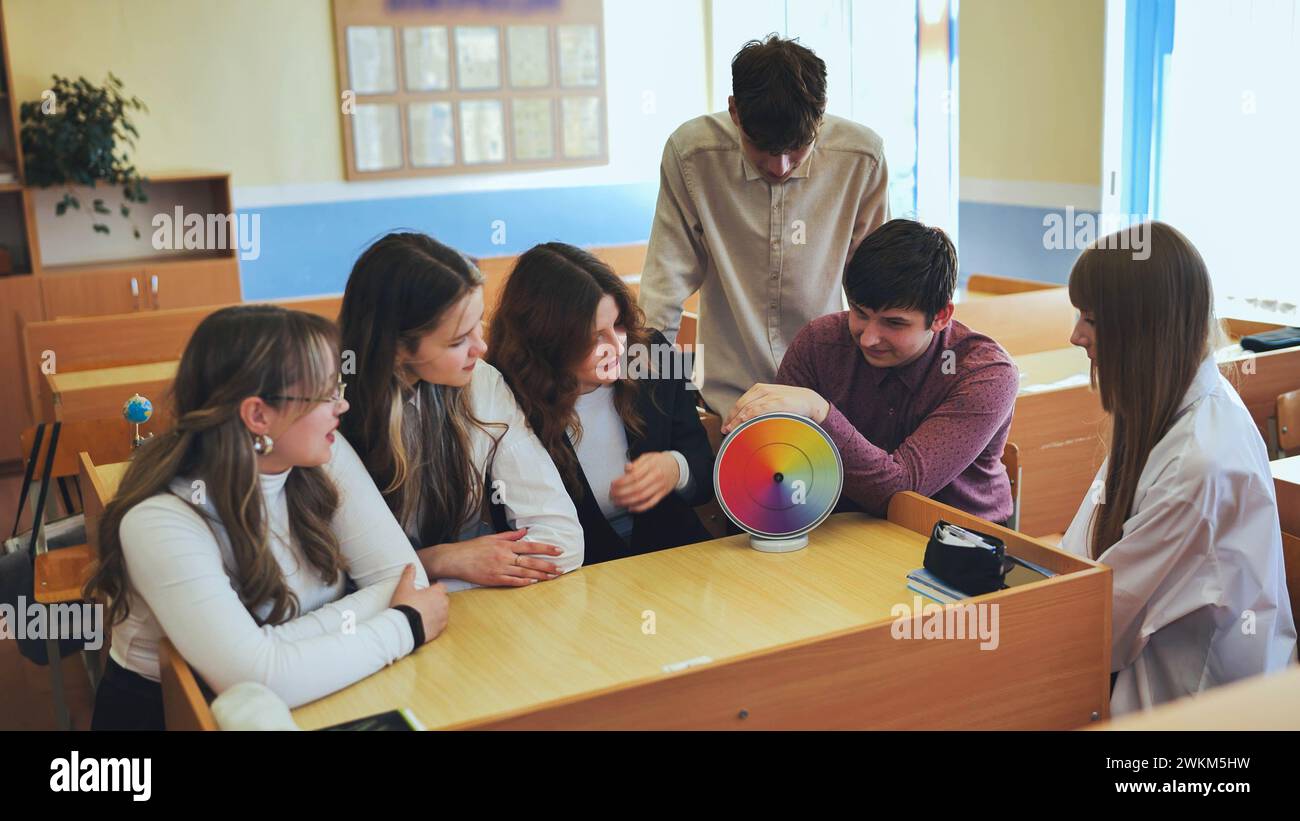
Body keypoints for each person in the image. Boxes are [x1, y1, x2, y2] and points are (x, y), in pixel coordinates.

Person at [88, 305, 448, 730]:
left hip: (321, 692)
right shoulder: (161, 520)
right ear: (258, 415)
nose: (343, 404)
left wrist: (272, 650)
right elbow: (255, 678)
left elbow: (404, 579)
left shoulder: (321, 455)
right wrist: (403, 623)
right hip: (173, 719)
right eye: (326, 393)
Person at [1060, 221, 1296, 714]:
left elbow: (1099, 628)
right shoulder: (1162, 407)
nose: (1075, 335)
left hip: (1199, 716)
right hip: (1149, 672)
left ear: (1143, 328)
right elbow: (1083, 551)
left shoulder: (1198, 461)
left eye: (1093, 320)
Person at [638, 34, 890, 414]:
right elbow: (664, 286)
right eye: (764, 150)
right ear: (735, 111)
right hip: (727, 396)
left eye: (797, 149)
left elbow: (875, 288)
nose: (780, 167)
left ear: (821, 114)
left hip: (829, 394)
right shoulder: (692, 154)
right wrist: (648, 398)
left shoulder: (861, 158)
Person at [723, 219, 1017, 523]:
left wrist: (819, 410)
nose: (868, 338)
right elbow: (774, 464)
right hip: (839, 533)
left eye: (893, 323)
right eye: (859, 313)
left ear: (941, 316)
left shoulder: (985, 373)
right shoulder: (819, 342)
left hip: (960, 543)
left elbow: (901, 493)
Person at [337, 232, 584, 591]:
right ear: (395, 348)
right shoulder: (327, 408)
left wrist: (447, 572)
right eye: (457, 340)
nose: (481, 347)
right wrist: (442, 560)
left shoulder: (482, 384)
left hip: (464, 611)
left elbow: (561, 540)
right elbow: (335, 585)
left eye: (479, 323)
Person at [487, 242, 716, 564]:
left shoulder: (654, 352)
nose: (617, 346)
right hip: (575, 576)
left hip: (673, 562)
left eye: (619, 324)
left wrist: (675, 468)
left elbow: (705, 473)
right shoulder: (503, 393)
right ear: (547, 341)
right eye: (595, 336)